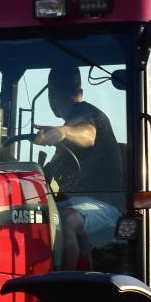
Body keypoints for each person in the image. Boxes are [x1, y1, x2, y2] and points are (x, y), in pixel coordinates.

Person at [35, 65, 124, 271]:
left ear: (51, 97)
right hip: (75, 202)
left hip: (106, 204)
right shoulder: (68, 137)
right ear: (80, 91)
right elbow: (48, 176)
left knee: (67, 220)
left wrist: (64, 132)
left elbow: (88, 135)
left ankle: (66, 293)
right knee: (33, 215)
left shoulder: (86, 114)